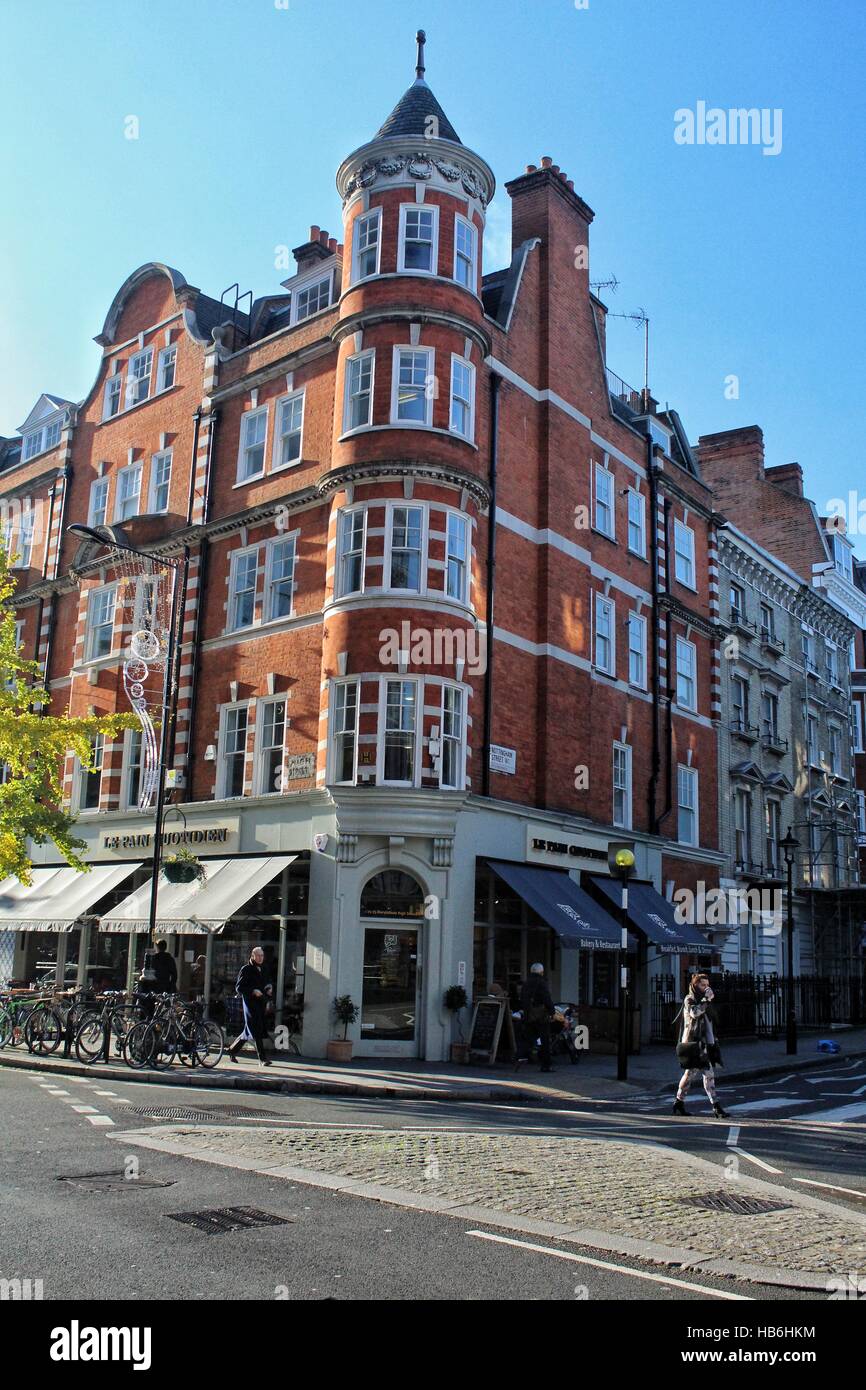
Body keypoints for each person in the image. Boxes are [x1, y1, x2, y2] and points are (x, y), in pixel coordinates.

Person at [673, 973, 728, 1118]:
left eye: (707, 985)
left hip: (705, 1044)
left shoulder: (705, 1001)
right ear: (695, 985)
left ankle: (713, 1106)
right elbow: (694, 1013)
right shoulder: (689, 999)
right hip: (693, 1044)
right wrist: (706, 999)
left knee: (704, 1074)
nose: (706, 988)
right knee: (693, 1074)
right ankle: (681, 1102)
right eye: (703, 985)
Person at [227, 946, 272, 1066]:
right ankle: (262, 1059)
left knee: (249, 1030)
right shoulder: (246, 969)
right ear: (252, 956)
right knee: (256, 1029)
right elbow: (239, 987)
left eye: (262, 955)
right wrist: (253, 991)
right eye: (258, 955)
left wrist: (268, 988)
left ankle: (232, 1050)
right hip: (250, 1003)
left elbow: (266, 982)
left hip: (260, 1002)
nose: (261, 958)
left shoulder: (264, 968)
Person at [519, 962, 555, 1073]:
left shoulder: (526, 983)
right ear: (541, 972)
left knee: (529, 1038)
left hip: (529, 1015)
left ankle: (520, 1058)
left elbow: (523, 998)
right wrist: (552, 1011)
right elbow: (546, 998)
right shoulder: (542, 983)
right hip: (541, 1016)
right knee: (545, 1040)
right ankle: (545, 1065)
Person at [138, 939, 177, 1017]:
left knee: (150, 1005)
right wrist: (171, 985)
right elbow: (174, 974)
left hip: (154, 985)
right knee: (164, 1006)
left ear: (157, 947)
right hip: (165, 986)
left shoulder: (154, 958)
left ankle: (152, 1020)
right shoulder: (170, 959)